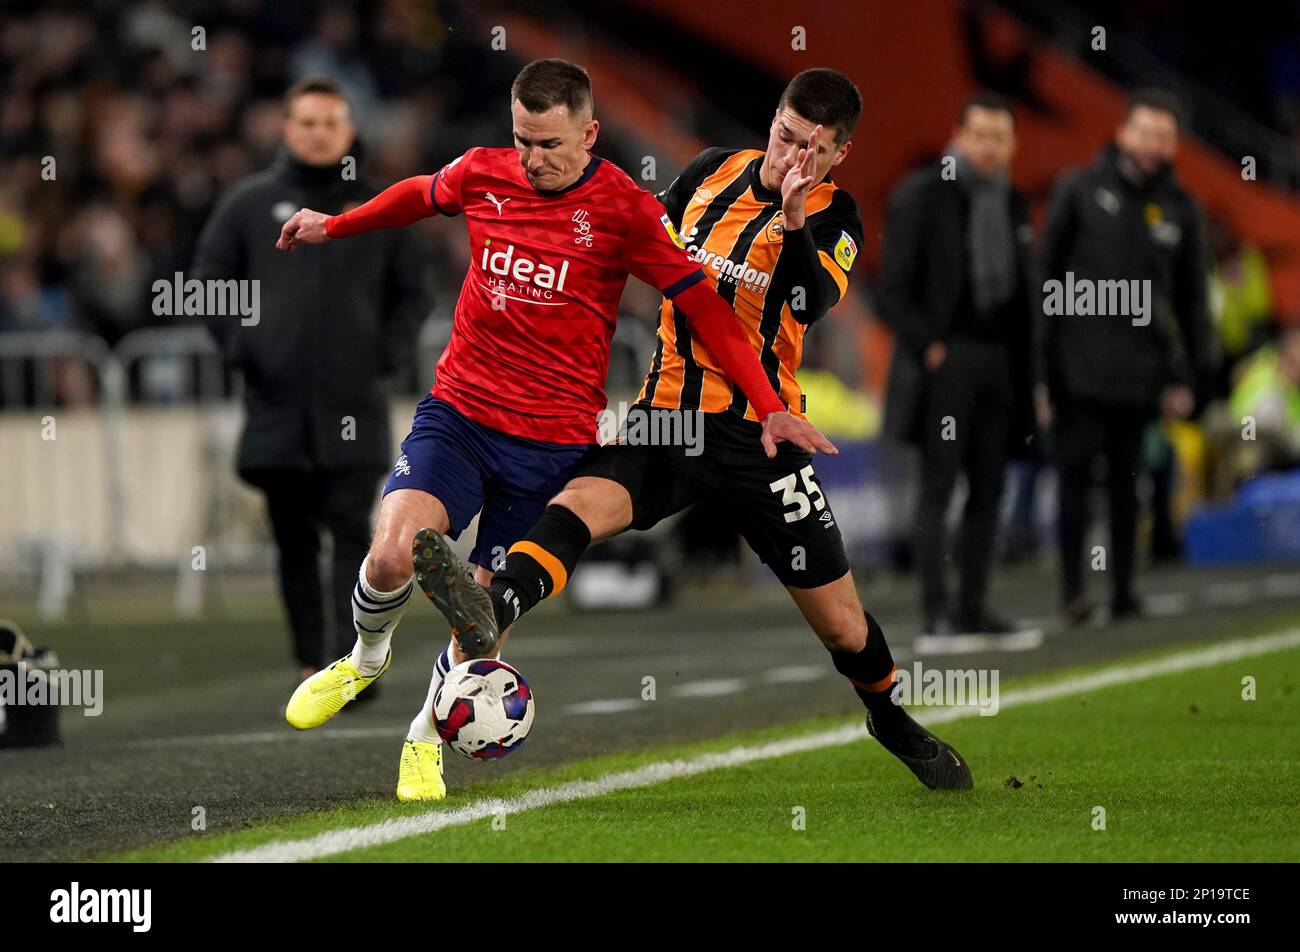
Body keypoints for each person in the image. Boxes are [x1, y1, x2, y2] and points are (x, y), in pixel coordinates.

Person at [274, 59, 831, 801]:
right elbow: (418, 196)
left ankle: (420, 740)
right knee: (390, 556)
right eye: (523, 140)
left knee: (481, 618)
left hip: (549, 447)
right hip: (462, 415)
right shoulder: (483, 172)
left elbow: (706, 311)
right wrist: (335, 224)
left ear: (590, 133)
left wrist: (770, 405)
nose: (533, 159)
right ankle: (364, 658)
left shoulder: (626, 210)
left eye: (550, 145)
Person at [413, 68, 974, 794]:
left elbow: (804, 302)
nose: (791, 157)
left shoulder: (837, 219)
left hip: (760, 438)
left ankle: (890, 718)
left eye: (812, 149)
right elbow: (635, 232)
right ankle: (497, 606)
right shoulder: (712, 171)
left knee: (842, 626)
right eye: (784, 137)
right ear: (771, 121)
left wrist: (796, 221)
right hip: (668, 415)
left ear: (839, 155)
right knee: (576, 507)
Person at [192, 77, 432, 681]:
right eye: (307, 122)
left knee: (356, 532)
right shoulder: (248, 204)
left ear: (349, 132)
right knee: (294, 539)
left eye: (330, 123)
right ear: (286, 129)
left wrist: (386, 354)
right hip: (276, 407)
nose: (319, 133)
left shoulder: (380, 205)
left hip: (356, 400)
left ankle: (354, 665)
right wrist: (245, 347)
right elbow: (207, 283)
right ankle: (309, 661)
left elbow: (415, 293)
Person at [1039, 88, 1218, 625]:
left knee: (1128, 485)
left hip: (1143, 375)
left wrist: (1190, 376)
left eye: (1162, 136)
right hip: (1077, 370)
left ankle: (1122, 590)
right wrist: (1041, 371)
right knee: (1075, 480)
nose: (1151, 144)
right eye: (1143, 131)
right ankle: (1073, 590)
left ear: (1174, 145)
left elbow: (1191, 301)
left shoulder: (1182, 210)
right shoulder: (1078, 188)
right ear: (1123, 132)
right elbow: (1043, 277)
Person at [876, 92, 1042, 649]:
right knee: (939, 488)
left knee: (991, 489)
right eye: (981, 135)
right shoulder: (923, 194)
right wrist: (930, 347)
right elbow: (891, 287)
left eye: (1001, 136)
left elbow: (1025, 300)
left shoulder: (1013, 202)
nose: (990, 146)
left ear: (1014, 144)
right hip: (945, 363)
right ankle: (936, 614)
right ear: (959, 135)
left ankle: (973, 607)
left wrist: (1031, 377)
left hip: (1000, 363)